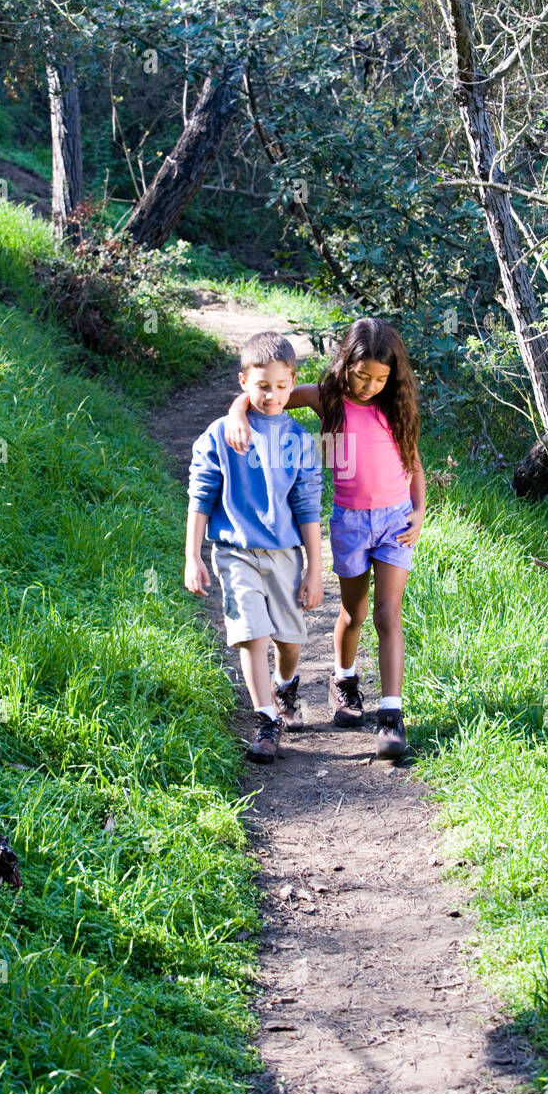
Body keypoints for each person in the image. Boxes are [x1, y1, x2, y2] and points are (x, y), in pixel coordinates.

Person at [225, 318, 425, 759]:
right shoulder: (326, 398)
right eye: (361, 375)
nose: (370, 385)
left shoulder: (396, 405)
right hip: (351, 521)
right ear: (346, 364)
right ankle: (345, 679)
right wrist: (238, 412)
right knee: (353, 614)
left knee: (388, 613)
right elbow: (271, 395)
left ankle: (391, 713)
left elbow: (413, 461)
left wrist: (419, 511)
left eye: (380, 379)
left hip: (395, 522)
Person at [185, 331, 324, 765]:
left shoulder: (299, 440)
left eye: (282, 387)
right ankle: (266, 719)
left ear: (293, 382)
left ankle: (286, 686)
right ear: (243, 382)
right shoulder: (220, 435)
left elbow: (308, 505)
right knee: (251, 633)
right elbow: (201, 494)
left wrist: (315, 570)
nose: (273, 395)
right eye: (262, 386)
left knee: (289, 641)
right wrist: (192, 555)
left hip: (284, 553)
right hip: (234, 550)